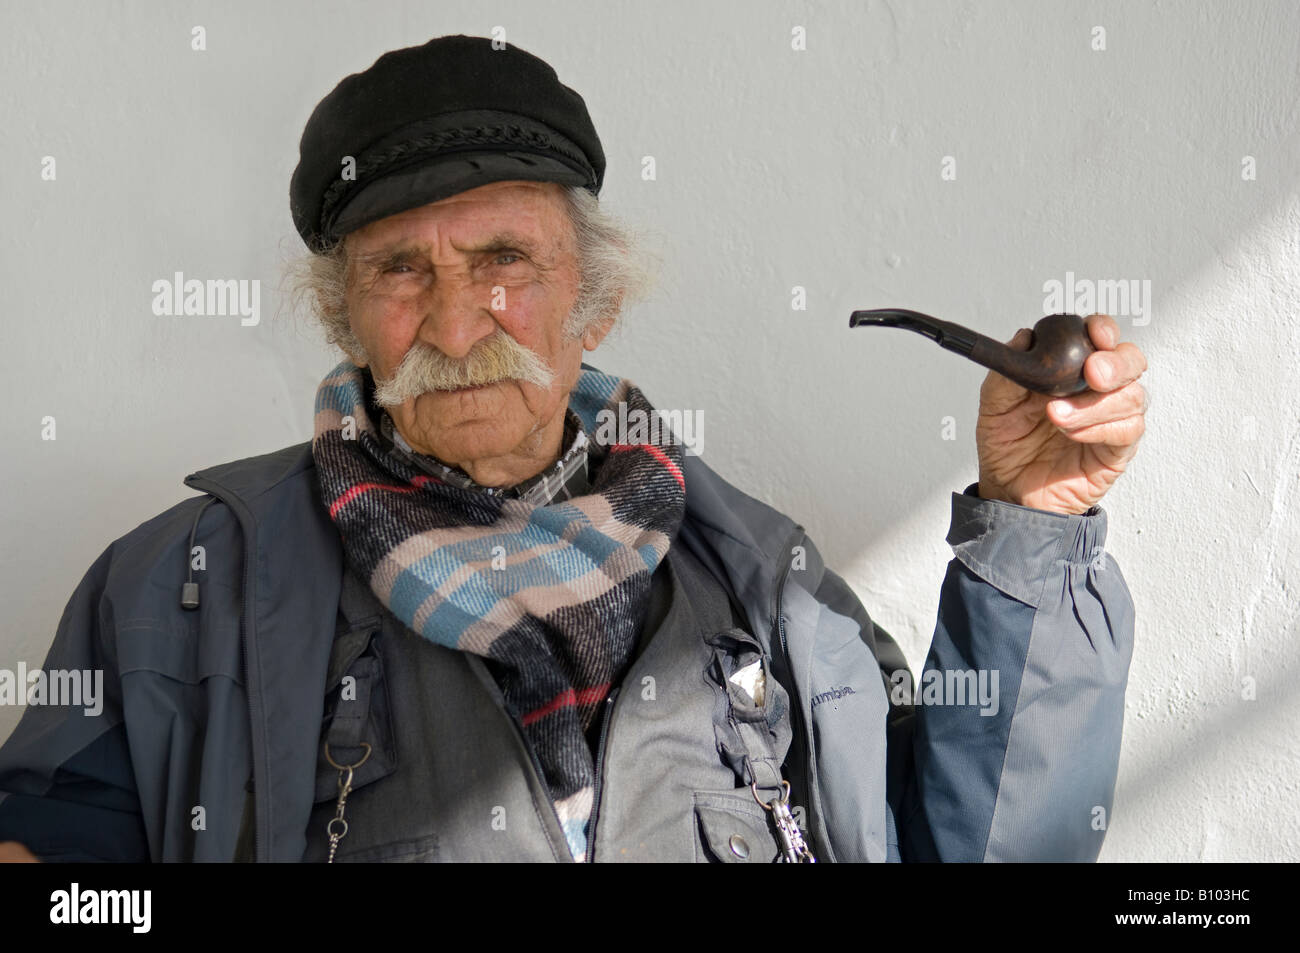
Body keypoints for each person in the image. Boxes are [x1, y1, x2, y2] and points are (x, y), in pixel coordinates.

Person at [0, 33, 1148, 863]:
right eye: (401, 270)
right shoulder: (181, 588)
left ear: (589, 303)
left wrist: (1033, 530)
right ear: (344, 315)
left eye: (505, 259)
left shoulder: (759, 577)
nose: (454, 325)